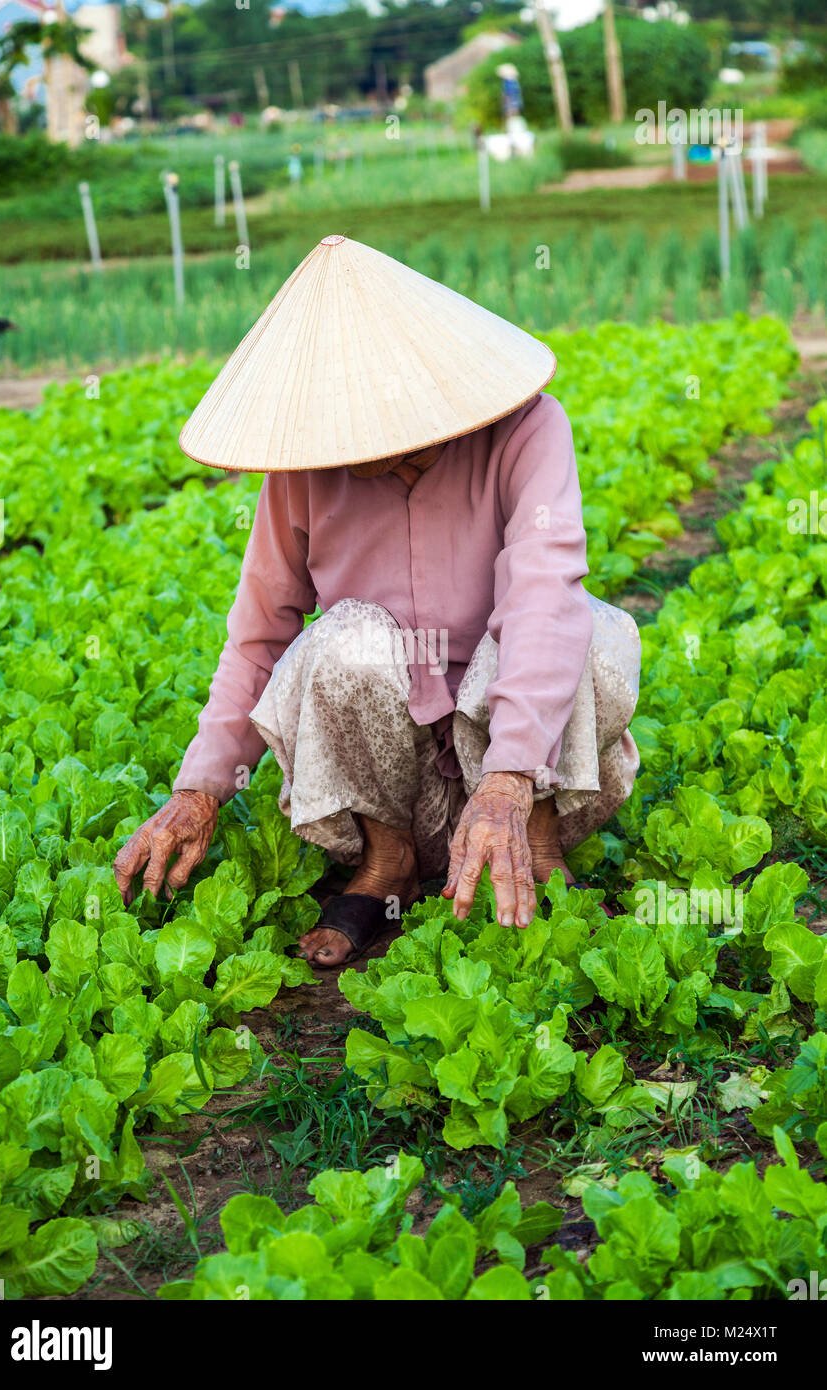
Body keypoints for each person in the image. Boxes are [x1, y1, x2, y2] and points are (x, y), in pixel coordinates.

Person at [113, 235, 640, 968]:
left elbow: (543, 592)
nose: (368, 453)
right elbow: (261, 634)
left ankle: (540, 842)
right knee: (346, 637)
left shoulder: (528, 428)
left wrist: (512, 777)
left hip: (520, 757)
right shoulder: (304, 471)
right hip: (390, 773)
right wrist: (198, 790)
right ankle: (388, 862)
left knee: (594, 630)